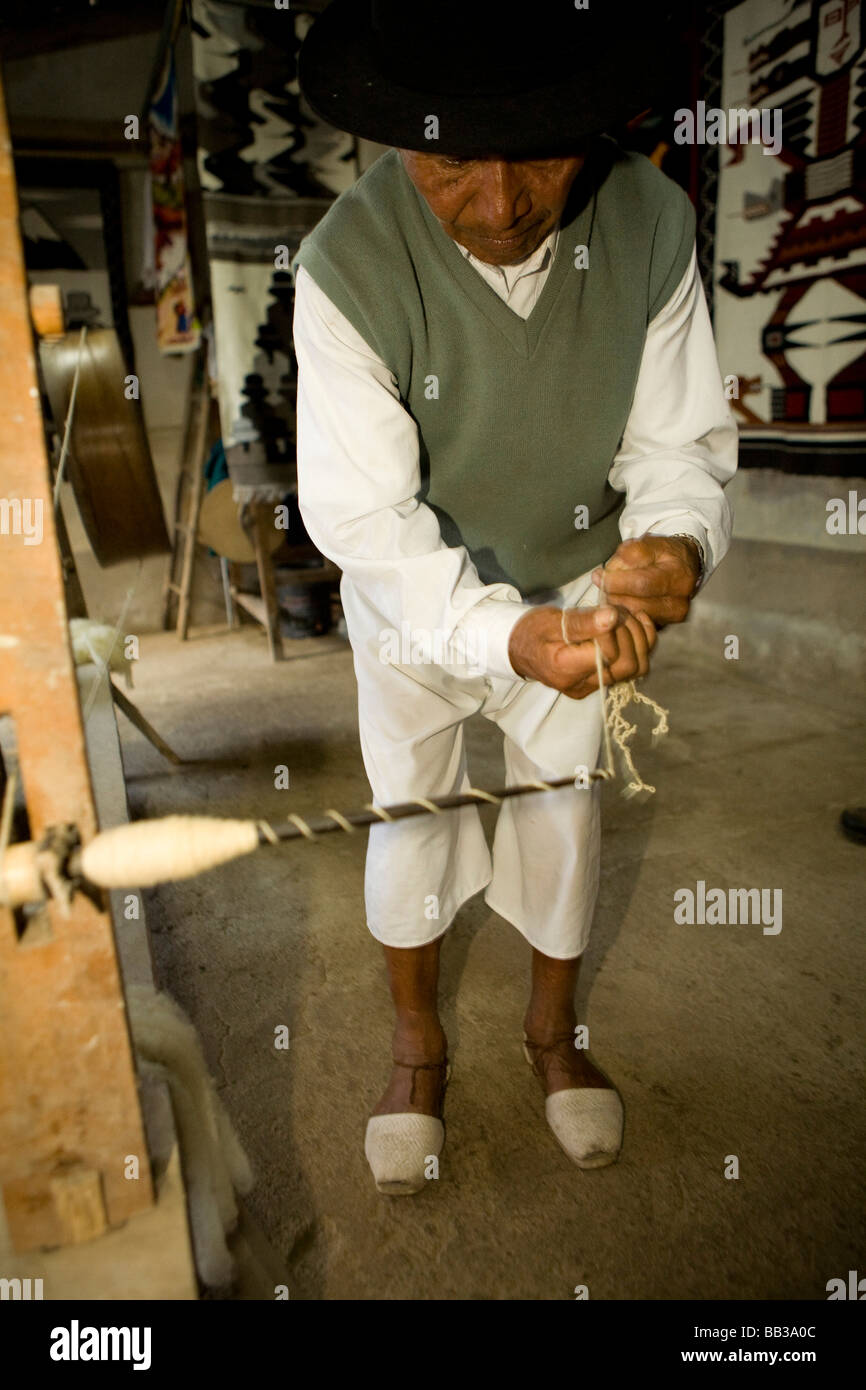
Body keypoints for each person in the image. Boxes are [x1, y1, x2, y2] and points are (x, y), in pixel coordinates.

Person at [291, 0, 737, 1193]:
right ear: (396, 142)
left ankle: (551, 1035)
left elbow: (676, 443)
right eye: (450, 163)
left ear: (589, 121)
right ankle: (416, 1047)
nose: (499, 207)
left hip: (575, 584)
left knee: (562, 810)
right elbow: (368, 523)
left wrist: (672, 542)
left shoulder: (646, 221)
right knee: (412, 814)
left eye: (537, 150)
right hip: (418, 607)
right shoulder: (344, 262)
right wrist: (495, 633)